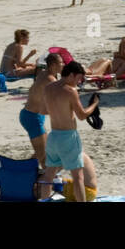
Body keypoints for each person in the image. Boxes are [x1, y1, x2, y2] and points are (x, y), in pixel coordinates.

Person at [41, 62, 100, 201]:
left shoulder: (48, 88)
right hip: (68, 136)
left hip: (53, 135)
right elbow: (82, 115)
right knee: (78, 176)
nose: (78, 83)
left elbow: (43, 110)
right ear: (71, 75)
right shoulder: (70, 91)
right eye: (78, 78)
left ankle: (44, 200)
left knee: (49, 175)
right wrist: (94, 104)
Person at [21, 52, 63, 186]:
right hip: (32, 118)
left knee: (41, 152)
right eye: (61, 62)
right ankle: (46, 183)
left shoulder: (45, 74)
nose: (63, 64)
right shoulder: (50, 79)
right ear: (53, 65)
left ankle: (22, 172)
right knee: (44, 158)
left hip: (35, 116)